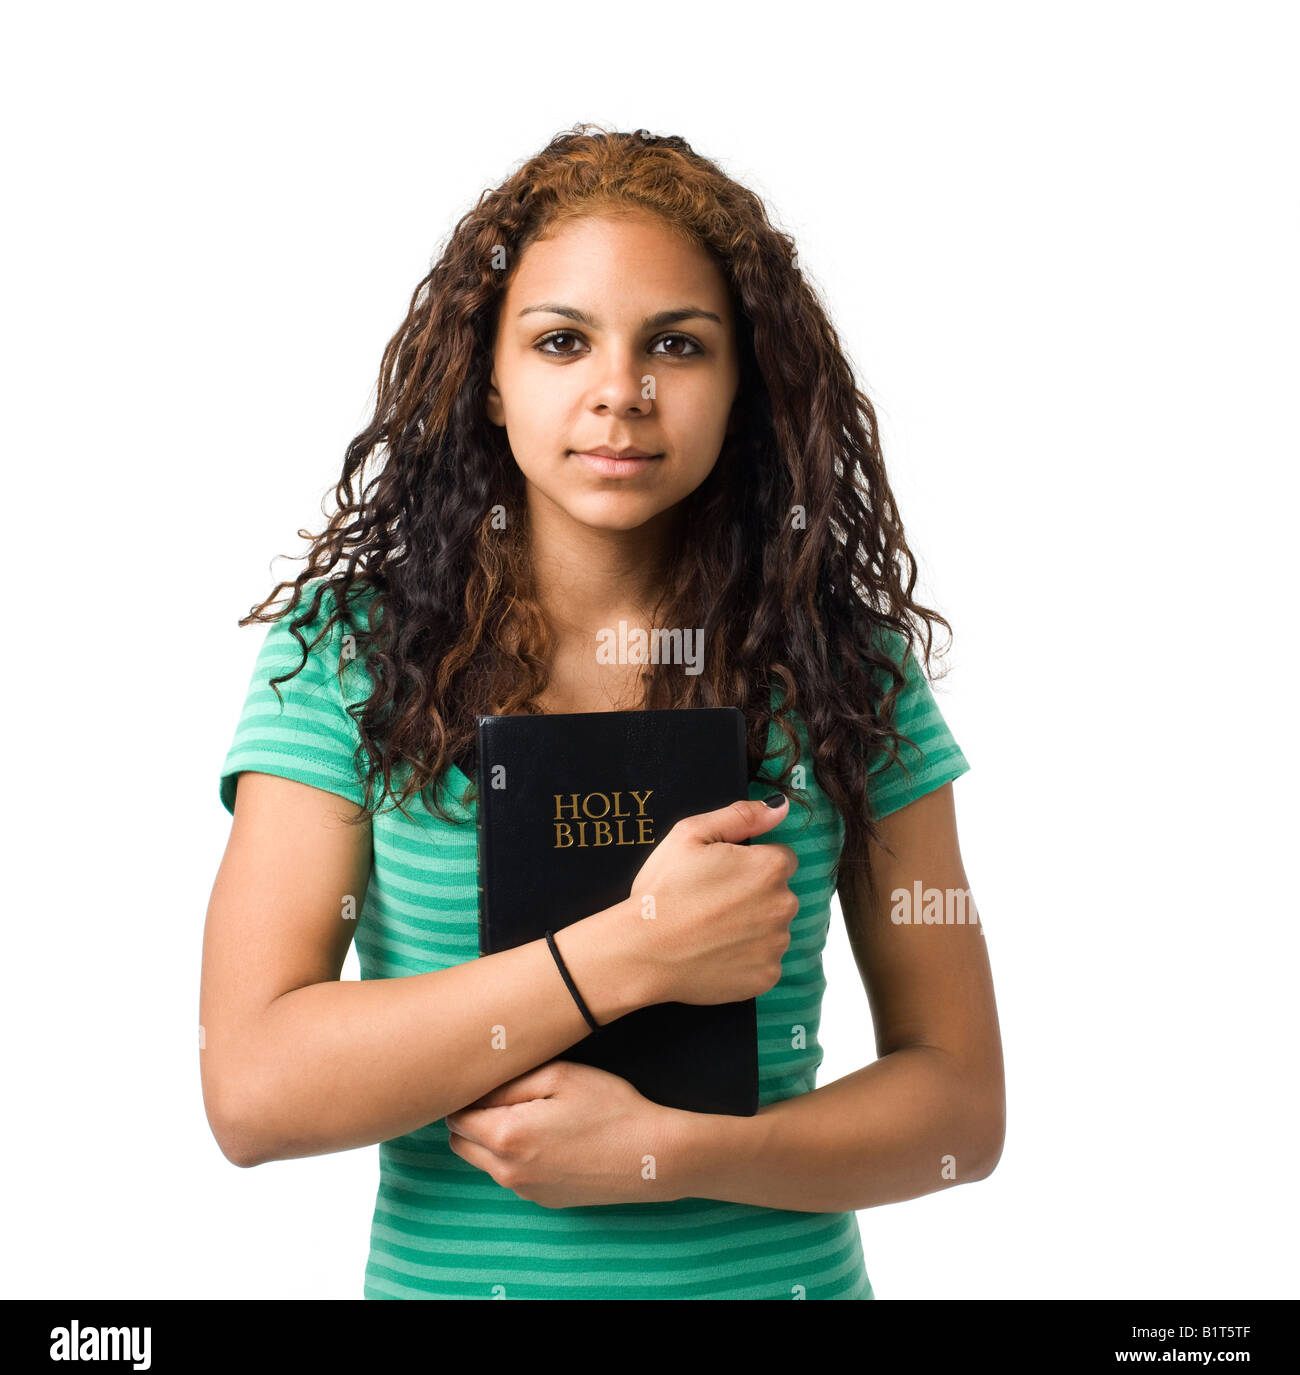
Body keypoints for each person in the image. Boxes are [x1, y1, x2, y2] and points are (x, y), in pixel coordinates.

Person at [203, 124, 1004, 1300]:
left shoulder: (842, 671)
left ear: (744, 383)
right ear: (488, 374)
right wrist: (629, 955)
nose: (618, 393)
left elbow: (960, 1108)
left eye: (676, 345)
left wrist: (670, 1154)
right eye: (562, 341)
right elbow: (253, 1091)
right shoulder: (349, 660)